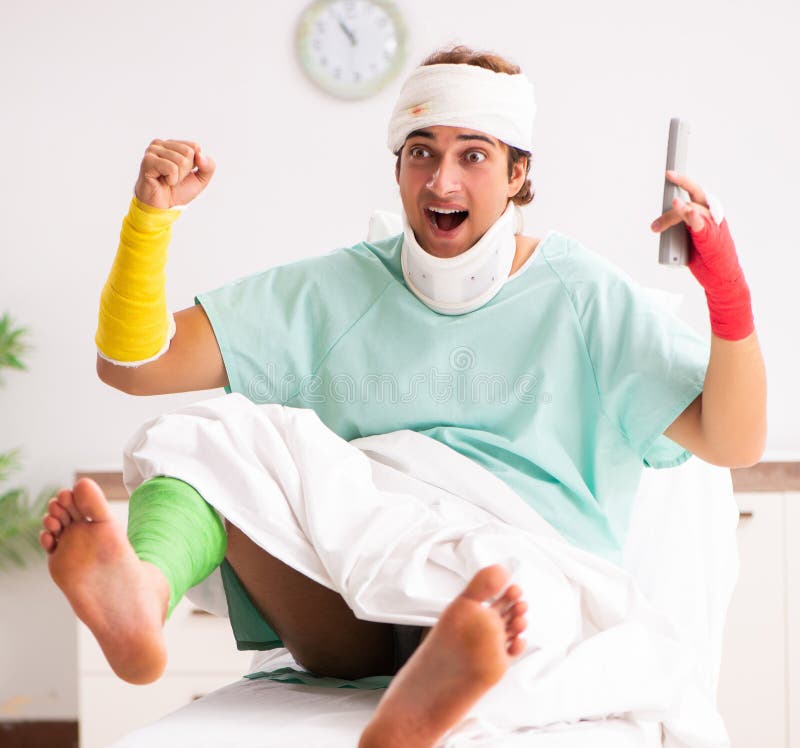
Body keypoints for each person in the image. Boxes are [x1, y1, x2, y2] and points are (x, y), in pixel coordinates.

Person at [40, 46, 766, 748]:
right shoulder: (337, 289)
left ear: (519, 174)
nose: (441, 180)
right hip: (352, 597)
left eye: (473, 154)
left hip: (511, 574)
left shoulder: (583, 296)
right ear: (398, 168)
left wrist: (725, 292)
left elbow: (732, 443)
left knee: (531, 601)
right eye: (421, 151)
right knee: (205, 433)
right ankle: (143, 590)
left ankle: (440, 697)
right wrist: (150, 217)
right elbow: (135, 366)